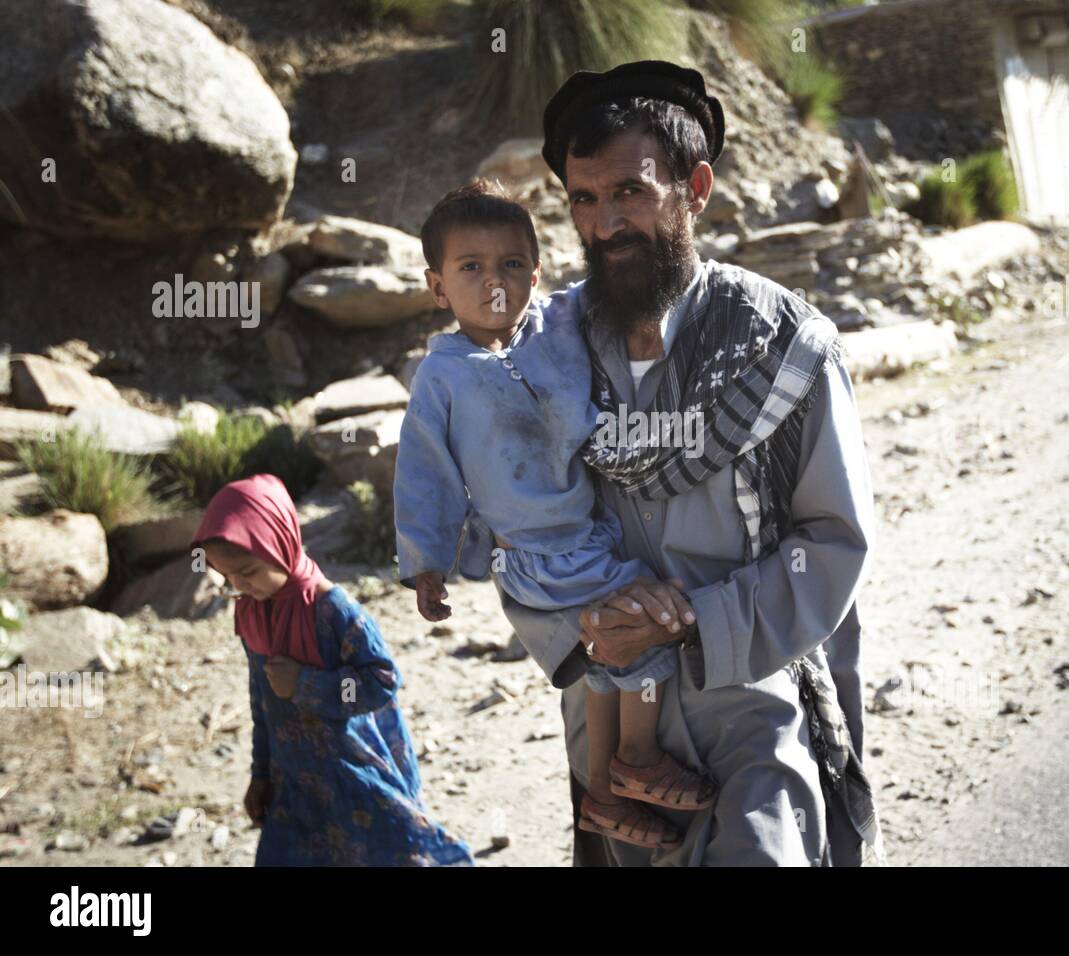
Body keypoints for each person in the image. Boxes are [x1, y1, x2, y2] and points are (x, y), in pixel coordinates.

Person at [485, 60, 885, 865]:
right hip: (608, 724)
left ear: (694, 188)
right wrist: (590, 630)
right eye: (585, 201)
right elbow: (513, 524)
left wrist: (697, 619)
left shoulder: (782, 346)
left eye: (631, 192)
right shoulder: (546, 355)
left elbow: (834, 540)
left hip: (752, 698)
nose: (606, 225)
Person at [394, 179, 718, 851]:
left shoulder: (555, 324)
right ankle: (636, 756)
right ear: (436, 286)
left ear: (535, 274)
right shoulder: (443, 377)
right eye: (471, 267)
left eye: (512, 264)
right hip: (537, 556)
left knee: (602, 660)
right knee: (643, 629)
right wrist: (426, 563)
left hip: (590, 533)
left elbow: (612, 292)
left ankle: (600, 795)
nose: (495, 281)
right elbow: (426, 474)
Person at [193, 473, 473, 866]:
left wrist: (306, 684)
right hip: (295, 787)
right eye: (227, 578)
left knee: (402, 854)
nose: (238, 586)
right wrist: (260, 775)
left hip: (353, 776)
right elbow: (262, 701)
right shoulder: (252, 614)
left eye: (247, 572)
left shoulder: (331, 610)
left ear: (278, 545)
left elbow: (381, 683)